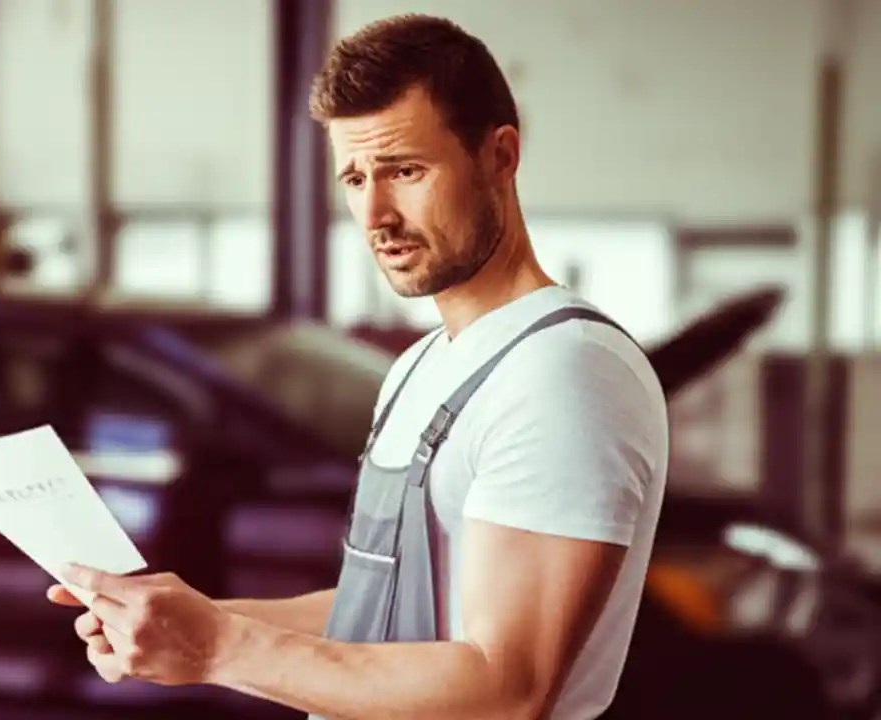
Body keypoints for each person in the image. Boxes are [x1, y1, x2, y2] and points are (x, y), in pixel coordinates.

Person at [46, 13, 669, 720]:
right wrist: (183, 620)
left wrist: (219, 647)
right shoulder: (417, 369)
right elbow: (386, 612)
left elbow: (507, 689)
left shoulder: (563, 373)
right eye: (353, 176)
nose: (375, 213)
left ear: (500, 157)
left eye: (406, 171)